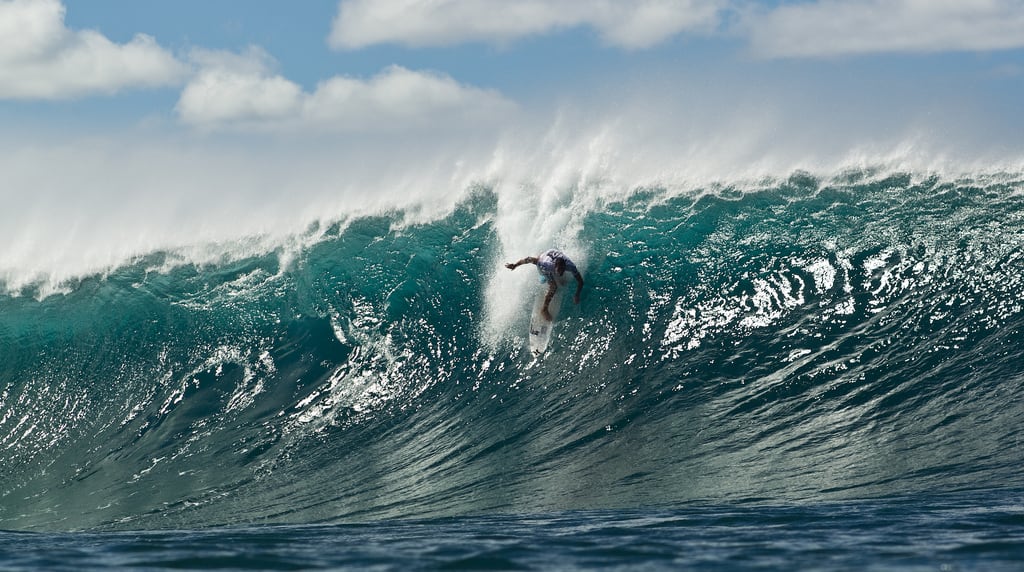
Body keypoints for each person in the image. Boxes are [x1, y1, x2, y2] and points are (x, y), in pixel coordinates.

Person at [505, 249, 584, 321]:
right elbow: (529, 259)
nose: (560, 272)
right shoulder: (547, 264)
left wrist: (577, 294)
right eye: (558, 270)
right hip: (543, 260)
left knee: (562, 280)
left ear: (565, 267)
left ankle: (547, 278)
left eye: (562, 270)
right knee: (554, 287)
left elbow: (580, 281)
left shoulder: (570, 266)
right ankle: (544, 309)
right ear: (554, 266)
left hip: (550, 254)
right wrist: (515, 265)